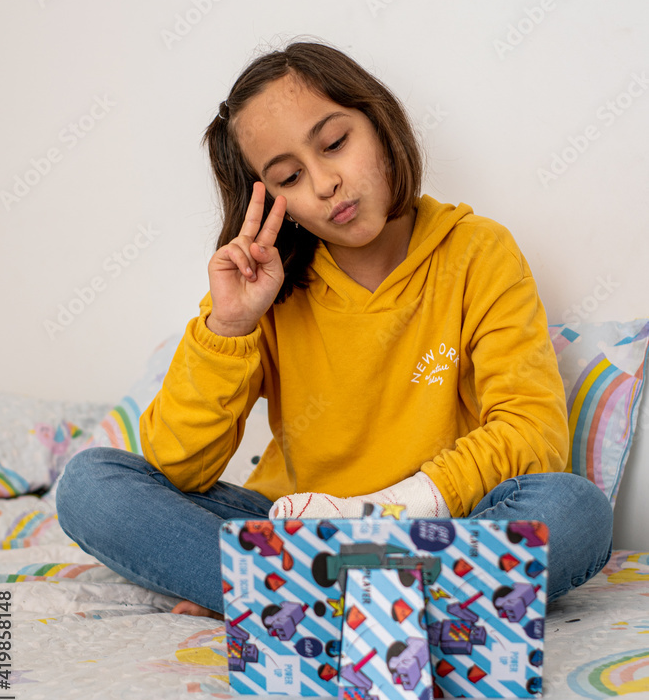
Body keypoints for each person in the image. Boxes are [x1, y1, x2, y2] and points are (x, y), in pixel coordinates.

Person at [55, 40, 614, 621]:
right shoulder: (266, 285)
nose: (324, 183)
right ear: (277, 204)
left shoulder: (479, 253)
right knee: (91, 485)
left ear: (379, 123)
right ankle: (386, 611)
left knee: (575, 510)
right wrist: (231, 324)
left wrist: (383, 512)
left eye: (335, 144)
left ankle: (284, 602)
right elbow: (178, 467)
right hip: (294, 532)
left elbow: (533, 433)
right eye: (291, 176)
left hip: (440, 528)